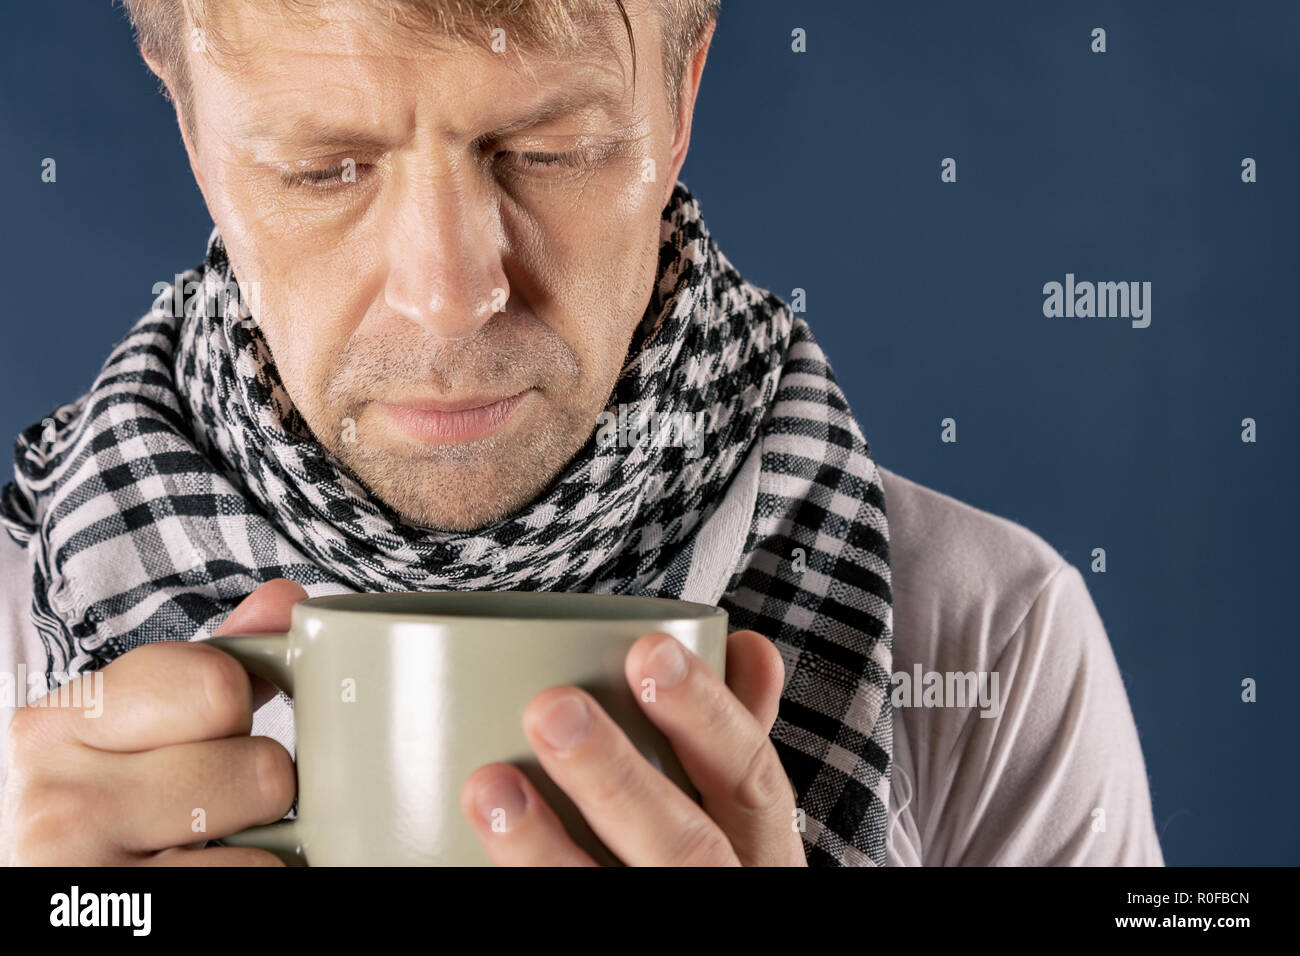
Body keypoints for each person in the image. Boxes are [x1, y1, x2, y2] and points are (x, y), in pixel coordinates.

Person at [0, 0, 1162, 866]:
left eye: (548, 150)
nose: (449, 292)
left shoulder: (993, 645)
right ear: (196, 138)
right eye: (325, 168)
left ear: (681, 98)